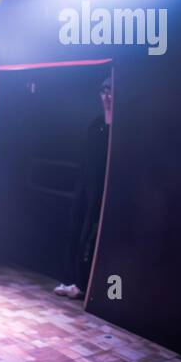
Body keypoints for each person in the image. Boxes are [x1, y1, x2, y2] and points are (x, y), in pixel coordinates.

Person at [56, 75, 112, 299]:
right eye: (103, 91)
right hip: (85, 184)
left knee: (89, 234)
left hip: (102, 188)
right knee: (74, 229)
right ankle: (68, 279)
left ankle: (80, 283)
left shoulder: (119, 127)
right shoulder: (96, 123)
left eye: (110, 91)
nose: (106, 96)